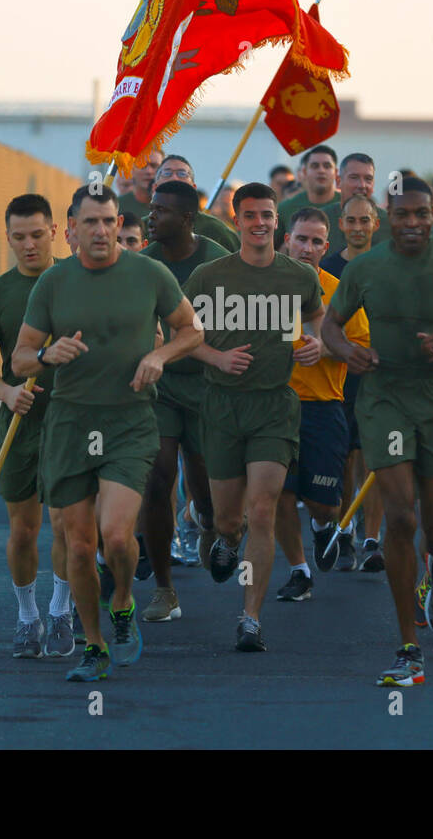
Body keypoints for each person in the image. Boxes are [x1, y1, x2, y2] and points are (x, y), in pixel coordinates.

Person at [11, 184, 203, 682]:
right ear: (70, 229)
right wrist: (47, 356)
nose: (100, 231)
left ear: (120, 224)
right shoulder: (54, 283)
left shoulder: (149, 273)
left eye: (109, 221)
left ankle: (122, 602)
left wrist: (158, 356)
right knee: (77, 545)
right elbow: (19, 358)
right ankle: (93, 647)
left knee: (117, 536)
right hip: (71, 424)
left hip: (129, 421)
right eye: (90, 222)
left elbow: (192, 330)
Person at [323, 177, 433, 684]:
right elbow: (330, 326)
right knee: (401, 518)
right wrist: (345, 351)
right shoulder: (364, 268)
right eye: (402, 214)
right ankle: (408, 646)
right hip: (386, 399)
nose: (412, 223)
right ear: (388, 216)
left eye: (421, 214)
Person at [183, 183, 325, 652]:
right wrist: (215, 357)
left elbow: (317, 321)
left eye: (267, 215)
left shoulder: (300, 276)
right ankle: (226, 536)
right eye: (250, 215)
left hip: (274, 406)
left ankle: (251, 619)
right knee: (229, 517)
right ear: (236, 220)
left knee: (263, 509)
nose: (260, 223)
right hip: (222, 407)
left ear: (276, 221)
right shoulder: (208, 276)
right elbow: (179, 333)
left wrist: (316, 344)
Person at [0, 194, 75, 658]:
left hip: (72, 419)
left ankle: (61, 611)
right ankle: (27, 615)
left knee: (69, 526)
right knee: (23, 530)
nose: (29, 244)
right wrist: (9, 392)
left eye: (37, 234)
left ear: (54, 231)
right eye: (19, 237)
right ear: (8, 237)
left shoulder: (81, 283)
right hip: (20, 420)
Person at [136, 181, 231, 622]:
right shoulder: (143, 264)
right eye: (151, 208)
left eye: (162, 211)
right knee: (157, 478)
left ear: (188, 219)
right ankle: (164, 588)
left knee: (205, 486)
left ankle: (209, 522)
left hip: (209, 388)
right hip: (162, 388)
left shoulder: (216, 262)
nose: (151, 217)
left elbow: (228, 329)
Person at [275, 208, 371, 596]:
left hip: (323, 404)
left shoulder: (339, 289)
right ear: (287, 241)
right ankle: (300, 571)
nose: (307, 248)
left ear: (326, 247)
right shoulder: (266, 284)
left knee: (323, 502)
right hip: (274, 407)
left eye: (316, 242)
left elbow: (364, 348)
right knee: (277, 492)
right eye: (301, 239)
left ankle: (323, 526)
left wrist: (327, 349)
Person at [319, 194, 386, 572]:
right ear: (341, 224)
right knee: (343, 457)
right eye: (352, 221)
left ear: (376, 224)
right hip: (338, 377)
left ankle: (372, 537)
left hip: (379, 376)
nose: (358, 227)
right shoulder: (327, 269)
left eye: (366, 220)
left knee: (372, 456)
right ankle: (343, 530)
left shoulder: (389, 266)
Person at [150, 154, 242, 252]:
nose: (175, 178)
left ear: (193, 188)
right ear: (155, 188)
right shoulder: (142, 229)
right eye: (167, 173)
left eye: (182, 174)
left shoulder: (216, 230)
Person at [275, 144, 340, 248]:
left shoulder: (348, 206)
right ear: (304, 172)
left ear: (336, 172)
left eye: (327, 166)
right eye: (315, 166)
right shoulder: (285, 208)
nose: (321, 171)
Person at [116, 150, 164, 223]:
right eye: (142, 165)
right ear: (132, 170)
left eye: (154, 166)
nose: (148, 171)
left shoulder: (172, 205)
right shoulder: (116, 206)